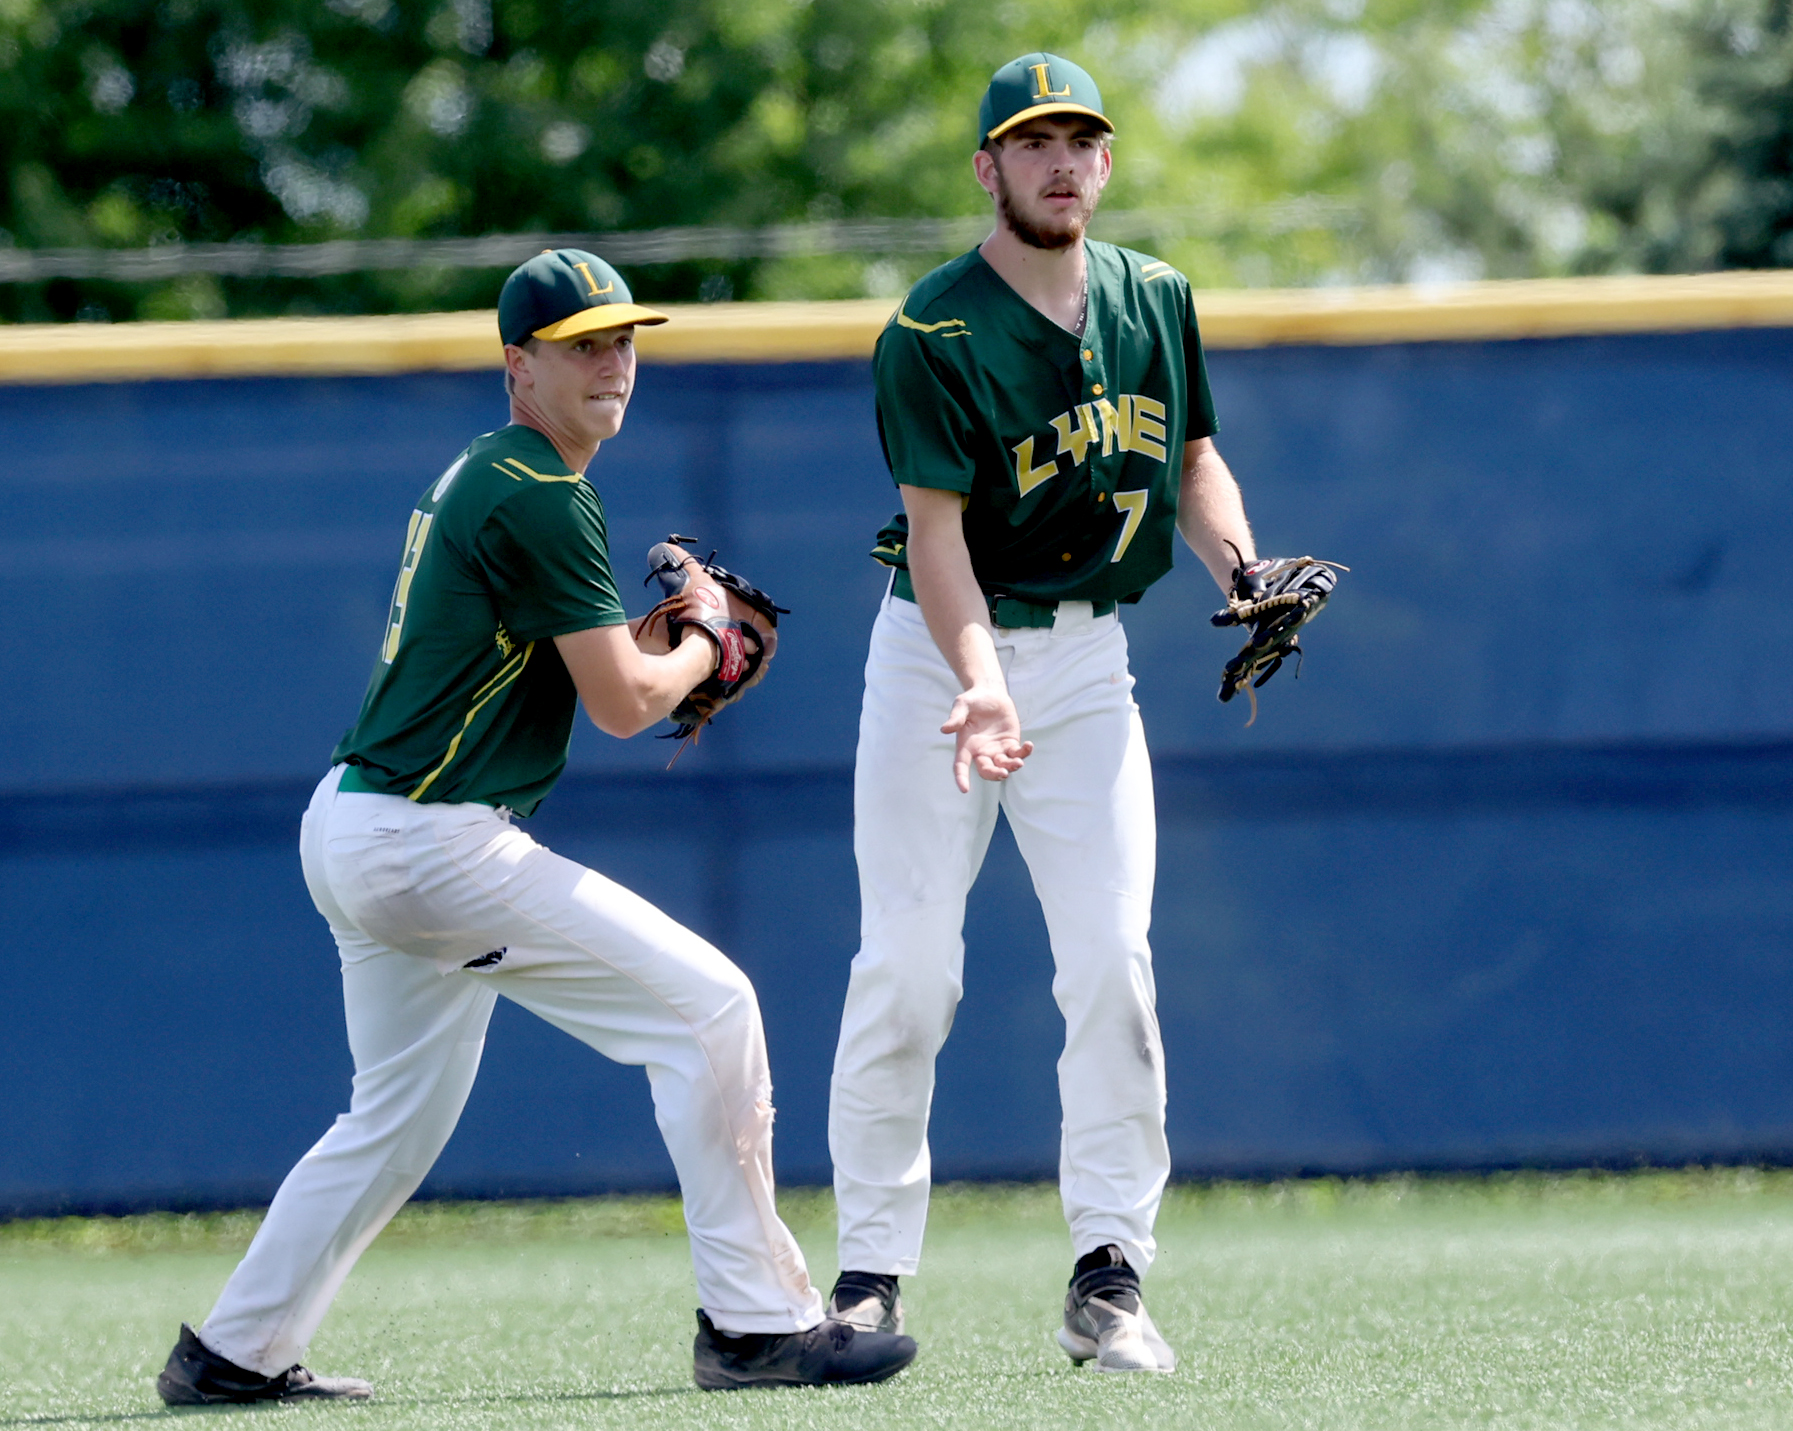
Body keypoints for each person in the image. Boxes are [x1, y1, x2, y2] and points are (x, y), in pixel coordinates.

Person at [155, 249, 916, 1404]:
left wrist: (668, 650)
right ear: (519, 366)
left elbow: (588, 673)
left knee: (392, 1122)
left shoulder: (497, 470)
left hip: (363, 822)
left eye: (622, 341)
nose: (613, 363)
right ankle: (756, 1326)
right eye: (582, 346)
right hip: (430, 842)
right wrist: (702, 642)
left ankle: (232, 1353)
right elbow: (621, 704)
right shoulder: (541, 492)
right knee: (710, 1011)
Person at [823, 55, 1263, 1374]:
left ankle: (1110, 1271)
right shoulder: (930, 331)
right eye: (1032, 142)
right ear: (987, 168)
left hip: (1085, 667)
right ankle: (867, 1273)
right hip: (937, 661)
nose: (1060, 161)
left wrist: (1242, 570)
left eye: (1081, 139)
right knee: (907, 967)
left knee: (1112, 965)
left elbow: (1187, 457)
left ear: (1106, 163)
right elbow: (935, 534)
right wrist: (975, 679)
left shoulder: (1154, 299)